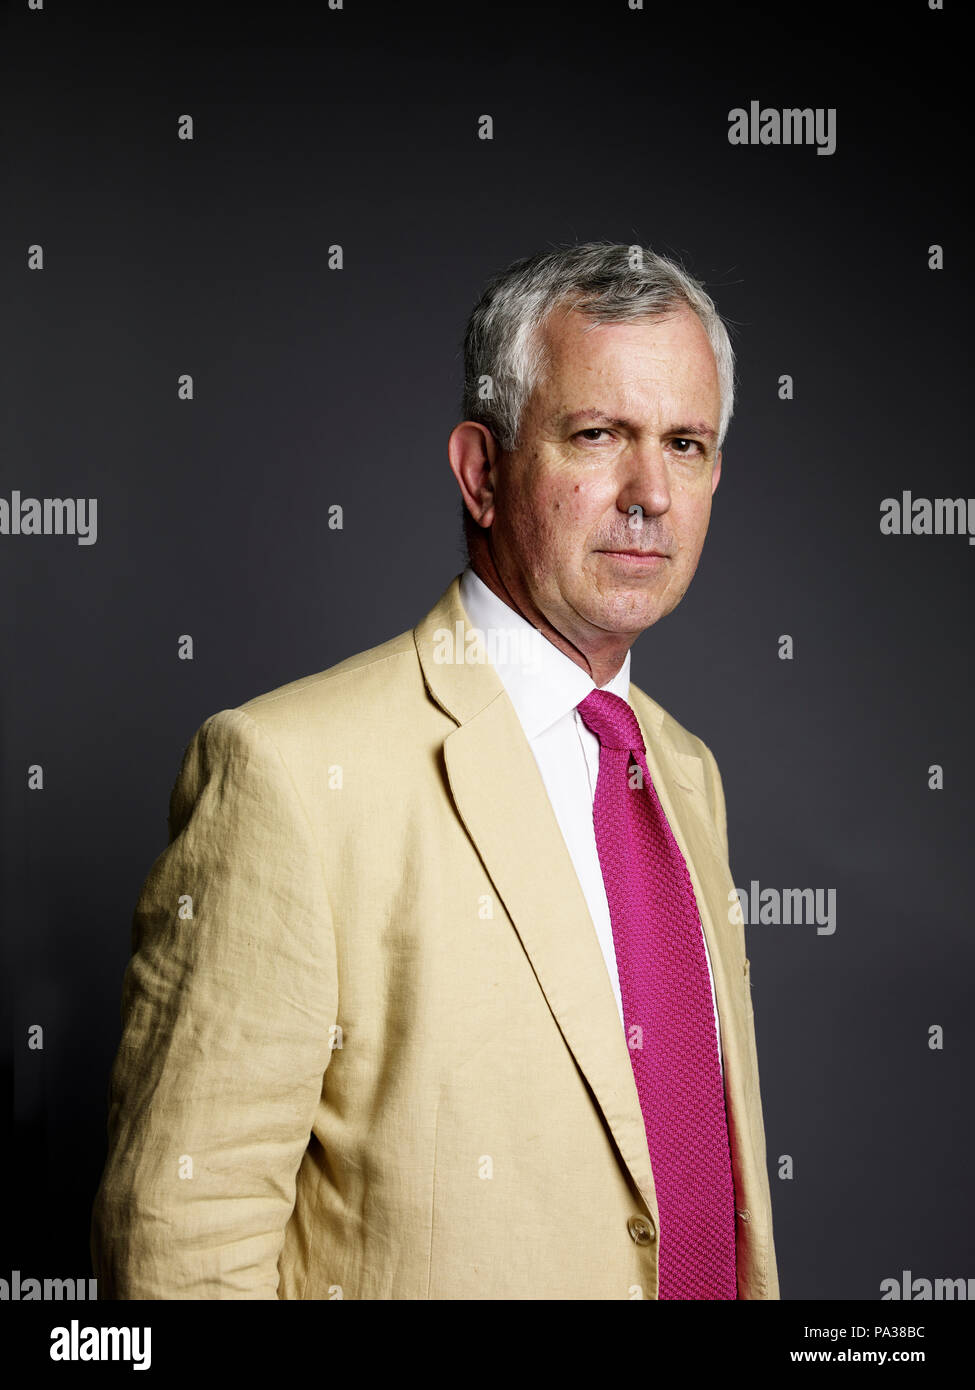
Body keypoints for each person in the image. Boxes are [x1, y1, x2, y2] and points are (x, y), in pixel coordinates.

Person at [90, 241, 780, 1300]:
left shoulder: (686, 772)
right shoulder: (285, 774)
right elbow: (178, 1249)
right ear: (482, 471)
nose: (650, 491)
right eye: (598, 435)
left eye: (685, 443)